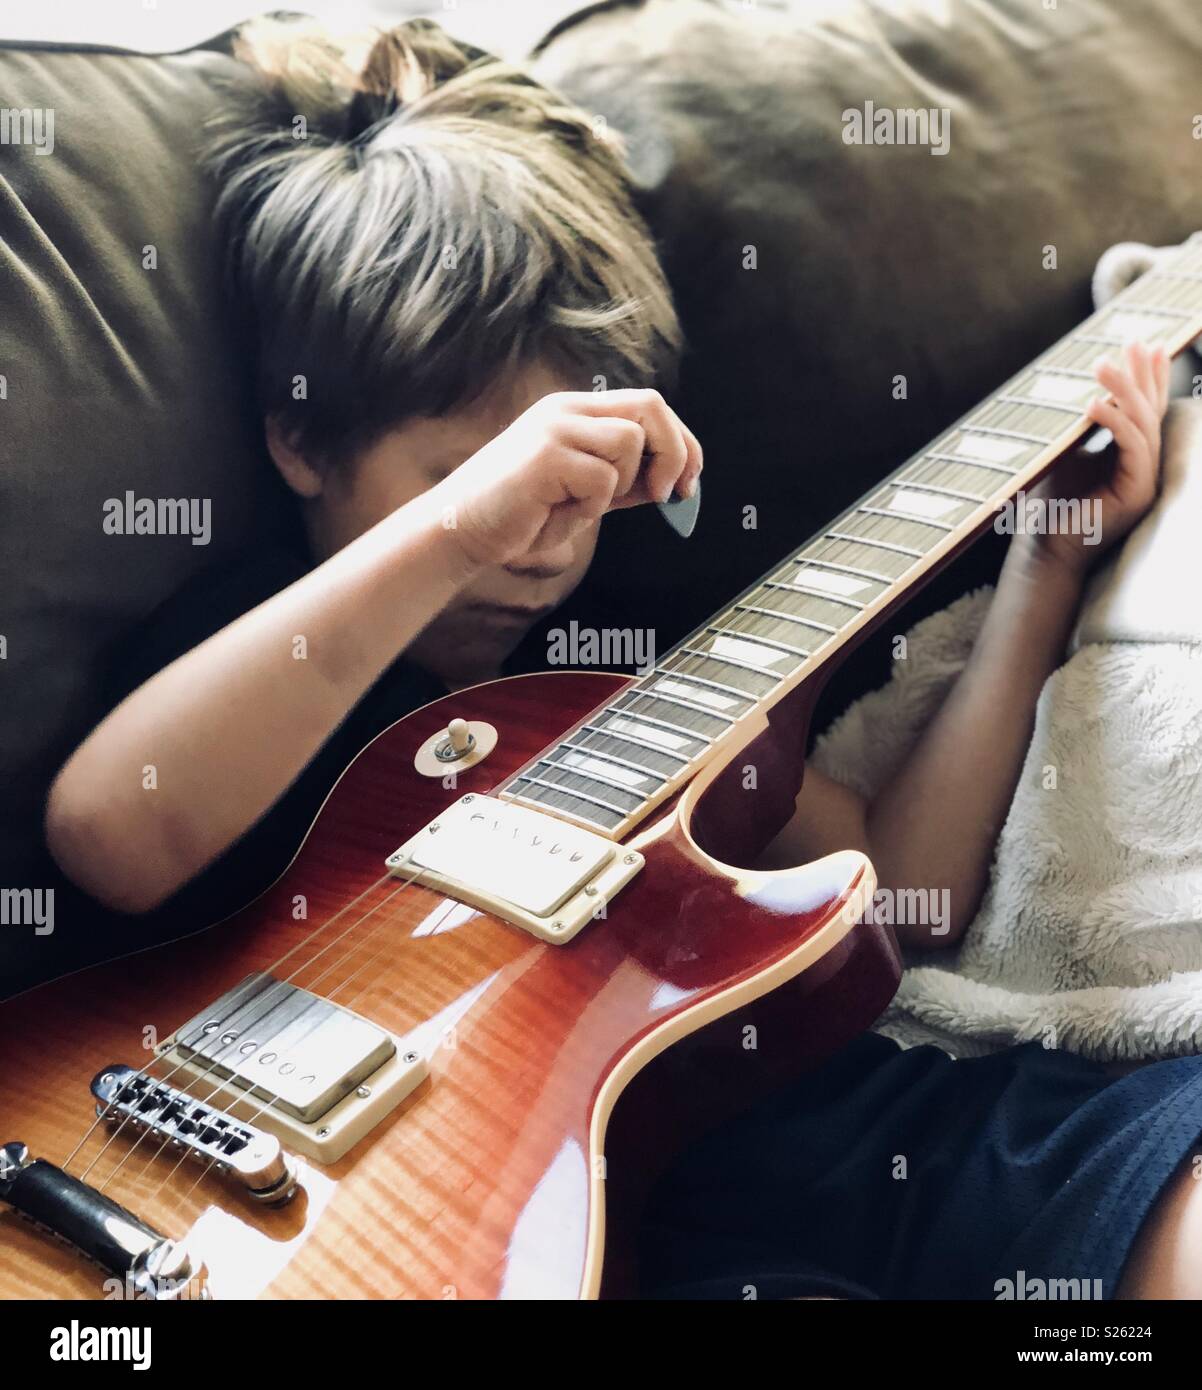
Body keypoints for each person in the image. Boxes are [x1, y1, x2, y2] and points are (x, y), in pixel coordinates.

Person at [42, 15, 1202, 1299]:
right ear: (301, 443)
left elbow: (906, 888)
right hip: (401, 1211)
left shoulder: (612, 673)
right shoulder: (265, 650)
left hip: (783, 1139)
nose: (536, 547)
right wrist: (444, 533)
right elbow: (109, 830)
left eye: (575, 493)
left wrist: (1045, 564)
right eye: (472, 478)